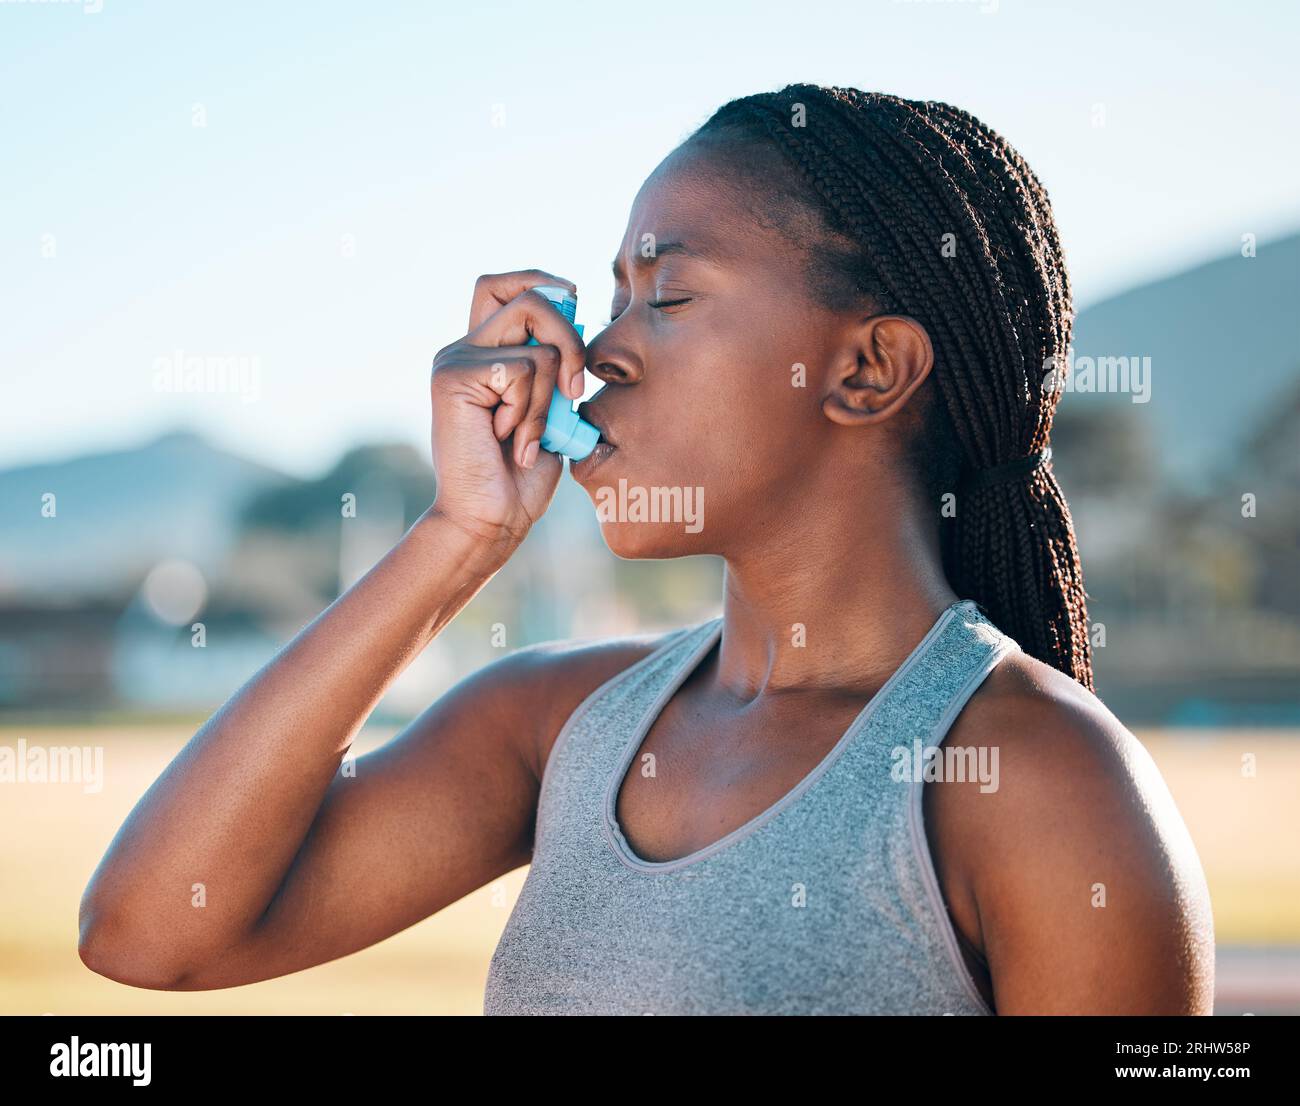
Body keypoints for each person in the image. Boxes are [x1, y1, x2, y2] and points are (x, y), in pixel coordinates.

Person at [78, 84, 1214, 1014]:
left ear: (867, 369)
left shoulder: (1044, 782)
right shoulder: (554, 722)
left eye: (666, 293)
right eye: (611, 298)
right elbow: (149, 932)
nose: (597, 355)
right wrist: (458, 534)